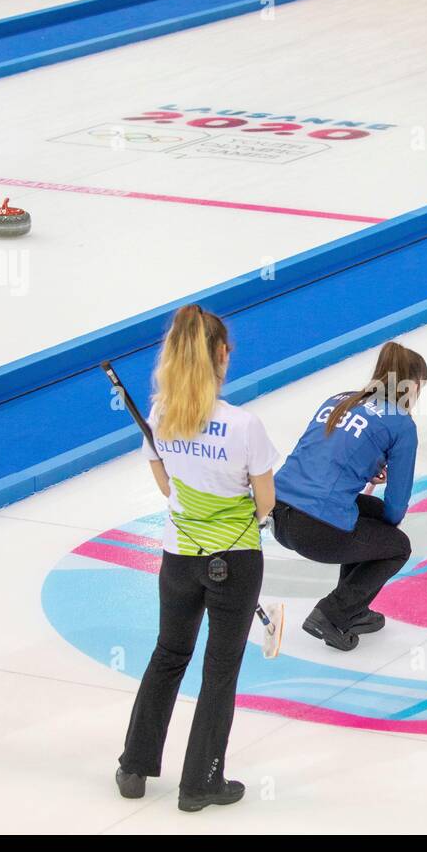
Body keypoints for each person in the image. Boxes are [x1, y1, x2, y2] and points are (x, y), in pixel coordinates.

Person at [115, 306, 279, 813]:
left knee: (169, 653)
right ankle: (200, 782)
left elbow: (167, 487)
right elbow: (266, 500)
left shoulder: (160, 416)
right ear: (221, 355)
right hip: (234, 558)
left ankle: (135, 765)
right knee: (220, 669)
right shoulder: (243, 425)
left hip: (179, 557)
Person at [271, 342, 425, 651]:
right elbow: (396, 507)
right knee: (396, 546)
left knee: (368, 514)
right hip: (315, 528)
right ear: (412, 385)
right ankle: (332, 613)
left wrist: (365, 467)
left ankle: (353, 608)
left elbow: (319, 454)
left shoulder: (338, 400)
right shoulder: (401, 424)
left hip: (278, 511)